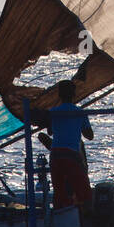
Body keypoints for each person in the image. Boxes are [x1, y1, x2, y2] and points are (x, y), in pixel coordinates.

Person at [41, 80, 93, 209]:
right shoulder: (80, 112)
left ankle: (59, 219)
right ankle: (83, 216)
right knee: (84, 192)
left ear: (59, 95)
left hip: (55, 155)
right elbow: (89, 136)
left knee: (59, 192)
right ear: (74, 94)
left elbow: (50, 132)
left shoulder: (53, 112)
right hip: (71, 155)